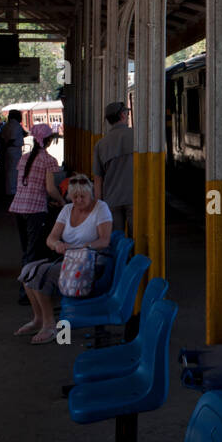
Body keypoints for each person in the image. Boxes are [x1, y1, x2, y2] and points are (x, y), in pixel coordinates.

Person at [15, 174, 112, 344]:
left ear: (91, 194)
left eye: (83, 196)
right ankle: (38, 318)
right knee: (27, 270)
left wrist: (82, 247)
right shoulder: (67, 210)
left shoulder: (101, 208)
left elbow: (104, 241)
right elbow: (51, 238)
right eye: (74, 197)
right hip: (68, 260)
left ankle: (49, 325)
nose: (79, 200)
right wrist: (57, 244)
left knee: (40, 274)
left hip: (91, 262)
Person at [8, 123, 64, 265]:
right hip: (35, 209)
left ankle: (25, 278)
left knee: (26, 247)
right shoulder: (49, 160)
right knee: (34, 250)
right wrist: (62, 201)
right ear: (49, 140)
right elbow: (51, 189)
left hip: (18, 207)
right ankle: (27, 283)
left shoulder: (24, 158)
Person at [93, 101, 134, 237]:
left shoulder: (100, 145)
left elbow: (98, 180)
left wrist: (99, 207)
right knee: (137, 239)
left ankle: (121, 258)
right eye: (127, 114)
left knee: (116, 240)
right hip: (134, 198)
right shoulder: (136, 137)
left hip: (111, 200)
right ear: (123, 115)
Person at [1, 109, 26, 204]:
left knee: (9, 170)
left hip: (8, 150)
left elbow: (3, 138)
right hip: (14, 150)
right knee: (14, 171)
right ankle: (12, 192)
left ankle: (10, 190)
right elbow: (12, 139)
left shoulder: (6, 125)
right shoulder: (16, 126)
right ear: (16, 117)